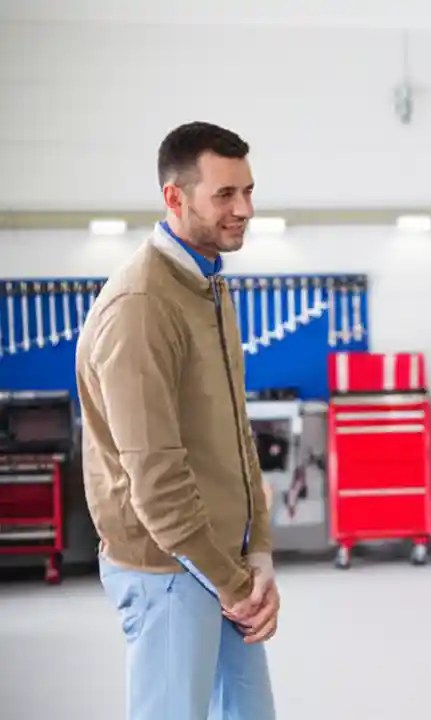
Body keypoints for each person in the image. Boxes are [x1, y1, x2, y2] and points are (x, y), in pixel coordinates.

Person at [76, 121, 279, 720]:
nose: (243, 209)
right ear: (175, 197)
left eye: (248, 191)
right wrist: (235, 583)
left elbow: (236, 431)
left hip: (224, 562)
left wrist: (258, 550)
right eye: (224, 195)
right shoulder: (142, 306)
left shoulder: (208, 286)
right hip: (169, 570)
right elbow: (156, 479)